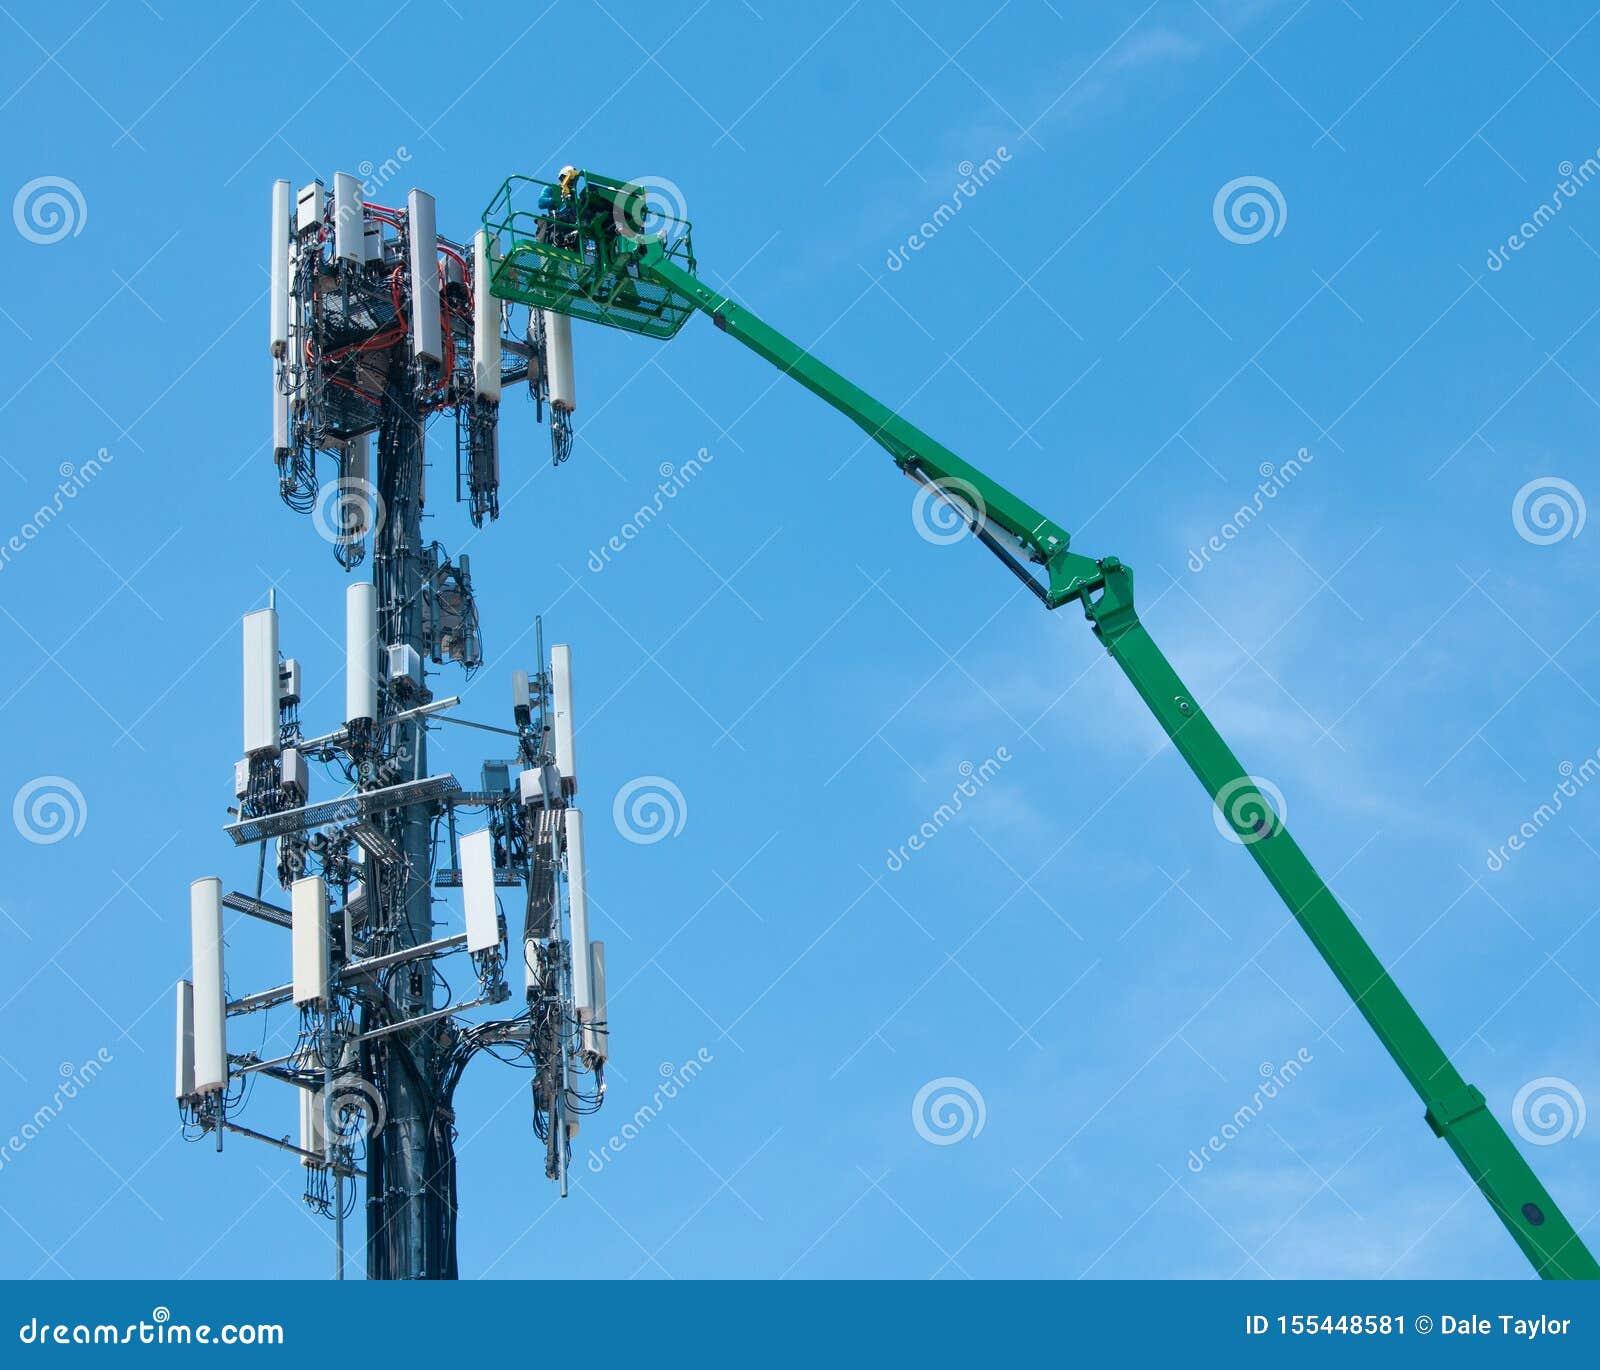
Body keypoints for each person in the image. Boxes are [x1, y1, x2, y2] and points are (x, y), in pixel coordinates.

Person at [535, 166, 581, 249]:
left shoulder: (573, 195)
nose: (572, 182)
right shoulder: (552, 188)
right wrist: (555, 199)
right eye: (570, 179)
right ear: (563, 177)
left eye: (574, 180)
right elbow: (541, 202)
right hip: (558, 221)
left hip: (572, 223)